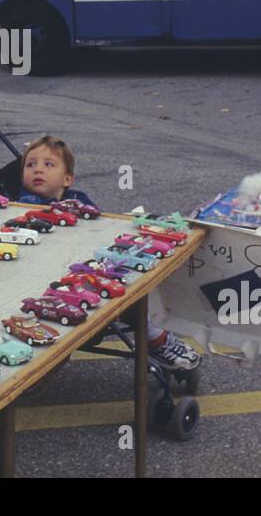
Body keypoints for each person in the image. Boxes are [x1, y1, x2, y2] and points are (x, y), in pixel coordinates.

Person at [16, 135, 201, 373]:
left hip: (82, 268)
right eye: (30, 165)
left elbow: (99, 224)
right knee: (124, 295)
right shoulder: (24, 203)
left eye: (48, 164)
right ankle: (157, 337)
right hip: (48, 274)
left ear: (67, 179)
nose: (37, 170)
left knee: (129, 289)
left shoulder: (78, 200)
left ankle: (156, 337)